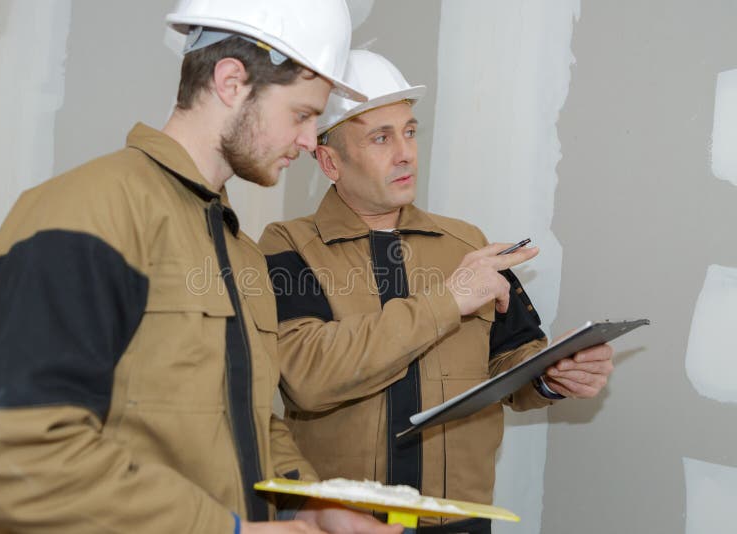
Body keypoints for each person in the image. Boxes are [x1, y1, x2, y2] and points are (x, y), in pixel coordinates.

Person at [0, 3, 402, 533]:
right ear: (232, 82)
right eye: (302, 115)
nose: (308, 142)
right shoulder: (86, 212)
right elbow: (8, 457)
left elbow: (245, 423)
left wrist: (312, 503)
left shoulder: (242, 253)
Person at [259, 50, 614, 533]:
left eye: (408, 131)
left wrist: (554, 375)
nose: (405, 152)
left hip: (459, 521)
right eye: (380, 138)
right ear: (329, 161)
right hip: (341, 523)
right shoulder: (287, 248)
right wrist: (448, 300)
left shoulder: (466, 243)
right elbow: (307, 376)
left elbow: (512, 363)